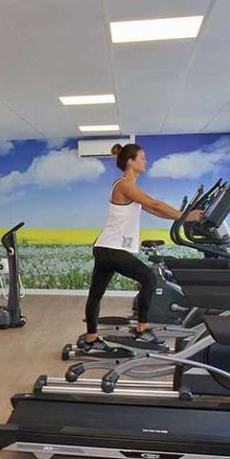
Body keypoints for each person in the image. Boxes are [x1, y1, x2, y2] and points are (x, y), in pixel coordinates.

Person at [78, 144, 204, 354]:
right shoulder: (123, 185)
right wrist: (186, 216)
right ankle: (142, 330)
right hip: (111, 249)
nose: (146, 161)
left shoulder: (130, 189)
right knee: (149, 278)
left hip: (104, 247)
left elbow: (155, 210)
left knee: (96, 294)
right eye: (142, 157)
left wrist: (180, 217)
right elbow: (155, 204)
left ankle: (91, 339)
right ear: (131, 161)